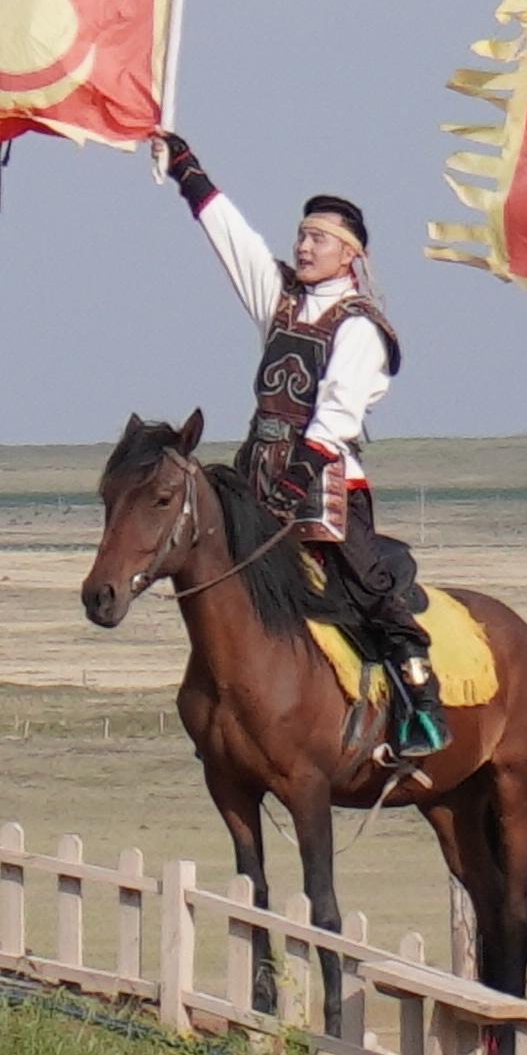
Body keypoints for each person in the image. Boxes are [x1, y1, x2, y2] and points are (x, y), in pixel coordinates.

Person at [150, 128, 442, 754]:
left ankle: (420, 701)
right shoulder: (281, 302)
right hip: (256, 476)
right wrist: (186, 171)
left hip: (325, 485)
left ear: (350, 254)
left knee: (365, 586)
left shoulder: (361, 328)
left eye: (318, 239)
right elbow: (236, 245)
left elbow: (336, 417)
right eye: (302, 235)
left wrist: (295, 481)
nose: (303, 247)